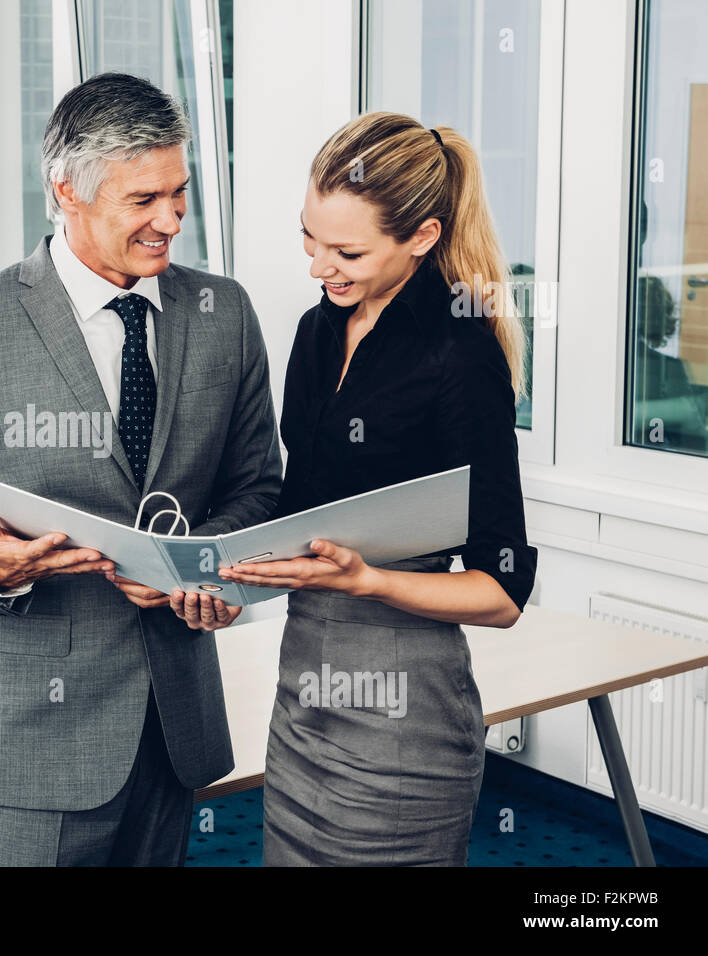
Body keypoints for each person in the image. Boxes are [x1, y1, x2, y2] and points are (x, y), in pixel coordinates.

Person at [0, 72, 282, 866]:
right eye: (143, 200)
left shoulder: (224, 313)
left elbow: (258, 488)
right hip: (32, 739)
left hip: (176, 726)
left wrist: (201, 564)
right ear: (67, 190)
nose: (171, 219)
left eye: (180, 192)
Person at [175, 112, 538, 865]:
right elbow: (298, 511)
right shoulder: (318, 330)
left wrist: (368, 579)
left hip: (403, 715)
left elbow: (501, 592)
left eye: (346, 251)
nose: (319, 266)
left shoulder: (458, 357)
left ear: (423, 238)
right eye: (310, 239)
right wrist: (216, 571)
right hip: (303, 690)